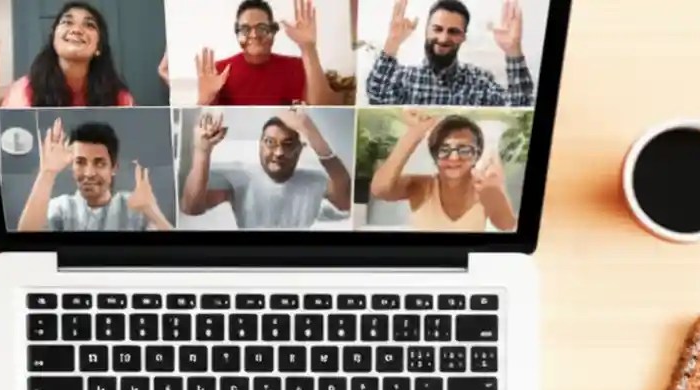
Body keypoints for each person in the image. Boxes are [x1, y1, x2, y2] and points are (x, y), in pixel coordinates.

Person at [181, 107, 351, 229]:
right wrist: (202, 151)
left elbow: (346, 200)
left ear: (300, 149)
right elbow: (191, 208)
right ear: (260, 145)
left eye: (288, 144)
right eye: (270, 142)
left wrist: (311, 131)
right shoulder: (240, 177)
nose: (278, 152)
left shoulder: (315, 181)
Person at [366, 0, 534, 107]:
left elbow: (520, 107)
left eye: (453, 31)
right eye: (437, 29)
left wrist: (513, 51)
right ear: (426, 31)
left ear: (463, 37)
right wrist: (392, 42)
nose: (443, 38)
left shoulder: (480, 81)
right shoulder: (403, 77)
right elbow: (375, 96)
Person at [370, 110, 516, 232]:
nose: (454, 158)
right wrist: (415, 132)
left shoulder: (484, 188)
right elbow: (380, 189)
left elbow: (506, 225)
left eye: (464, 150)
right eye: (444, 150)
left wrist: (494, 194)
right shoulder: (421, 186)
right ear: (434, 156)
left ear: (477, 155)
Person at [17, 119, 173, 231]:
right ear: (72, 166)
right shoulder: (61, 207)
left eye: (99, 163)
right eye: (80, 162)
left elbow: (176, 253)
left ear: (114, 168)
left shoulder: (135, 207)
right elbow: (24, 243)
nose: (89, 173)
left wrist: (152, 211)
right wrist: (47, 172)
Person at [0, 2, 134, 108]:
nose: (76, 29)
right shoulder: (25, 90)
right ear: (54, 40)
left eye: (89, 25)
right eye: (67, 22)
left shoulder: (119, 97)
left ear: (98, 48)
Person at [194, 0, 337, 106]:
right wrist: (203, 99)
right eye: (245, 29)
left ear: (273, 31)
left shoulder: (298, 66)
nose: (254, 35)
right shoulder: (218, 72)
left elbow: (326, 108)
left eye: (261, 28)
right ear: (237, 33)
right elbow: (202, 124)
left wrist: (309, 48)